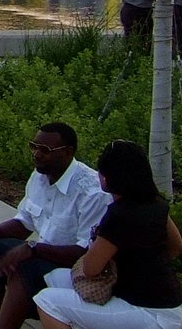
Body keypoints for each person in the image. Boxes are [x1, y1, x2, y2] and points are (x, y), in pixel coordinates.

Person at [0, 121, 111, 329]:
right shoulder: (39, 176)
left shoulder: (91, 192)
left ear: (68, 152)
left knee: (25, 266)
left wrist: (34, 249)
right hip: (41, 256)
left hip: (73, 268)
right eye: (33, 146)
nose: (36, 154)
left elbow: (85, 253)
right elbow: (24, 223)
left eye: (45, 150)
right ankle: (4, 321)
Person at [34, 138, 182, 329]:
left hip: (148, 313)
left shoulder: (119, 214)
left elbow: (91, 268)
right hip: (170, 304)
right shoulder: (156, 203)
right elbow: (176, 246)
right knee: (56, 277)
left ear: (106, 177)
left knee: (47, 301)